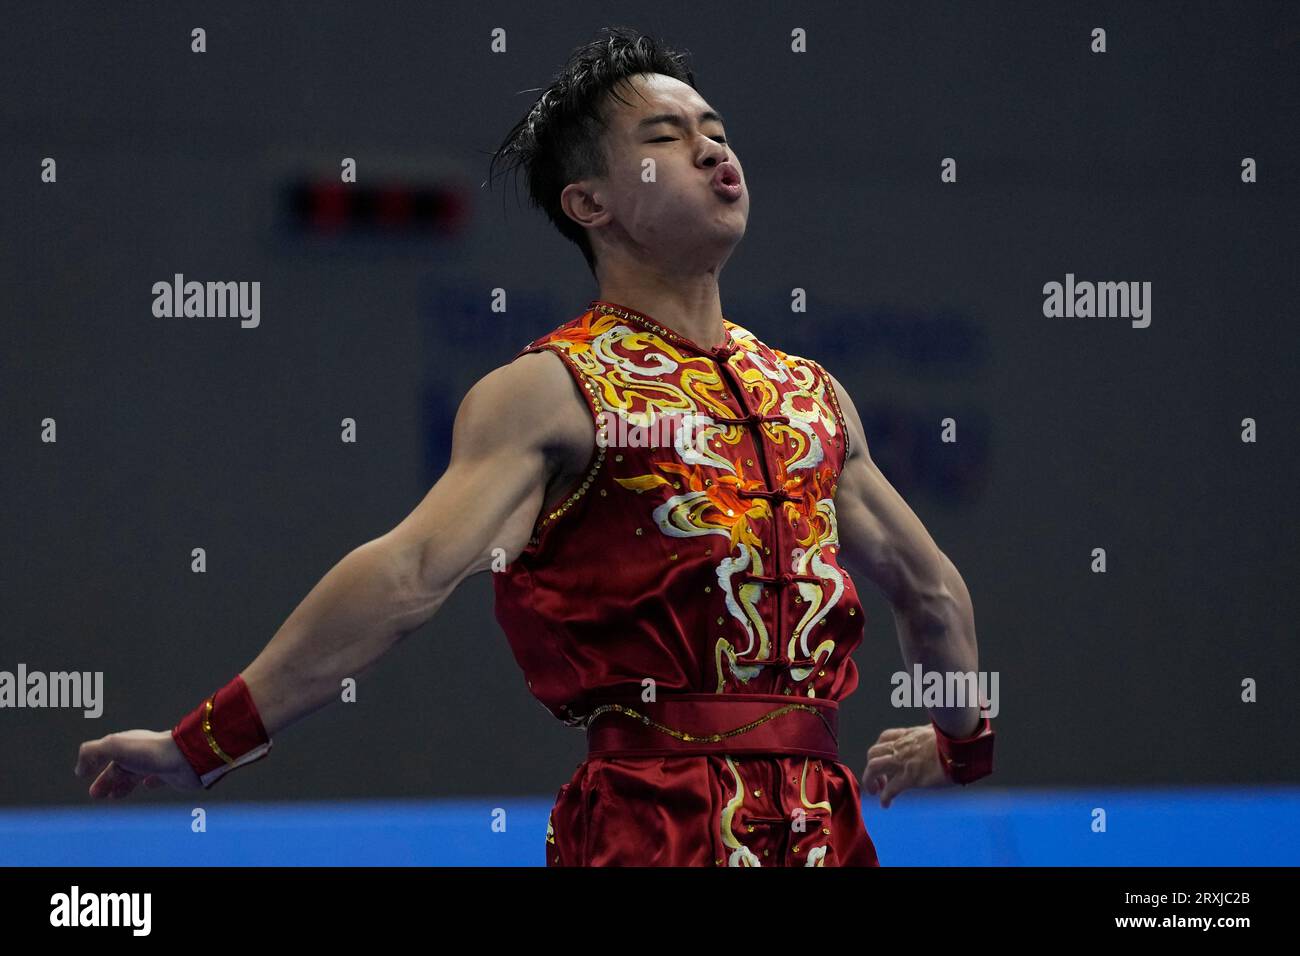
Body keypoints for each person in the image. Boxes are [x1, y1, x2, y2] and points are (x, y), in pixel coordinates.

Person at [74, 26, 994, 866]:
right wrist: (205, 741)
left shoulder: (813, 395)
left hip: (824, 830)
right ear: (589, 201)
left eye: (715, 127)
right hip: (651, 826)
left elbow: (933, 591)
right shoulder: (549, 392)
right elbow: (407, 575)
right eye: (665, 137)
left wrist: (957, 743)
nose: (713, 147)